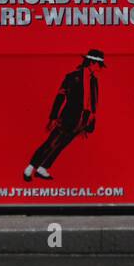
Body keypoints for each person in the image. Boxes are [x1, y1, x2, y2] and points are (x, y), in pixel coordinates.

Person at [23, 50, 105, 182]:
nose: (100, 68)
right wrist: (53, 117)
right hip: (67, 117)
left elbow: (93, 101)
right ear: (92, 62)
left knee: (62, 145)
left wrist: (91, 119)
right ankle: (30, 167)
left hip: (82, 120)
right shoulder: (72, 77)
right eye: (99, 64)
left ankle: (43, 168)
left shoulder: (94, 80)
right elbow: (60, 97)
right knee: (51, 143)